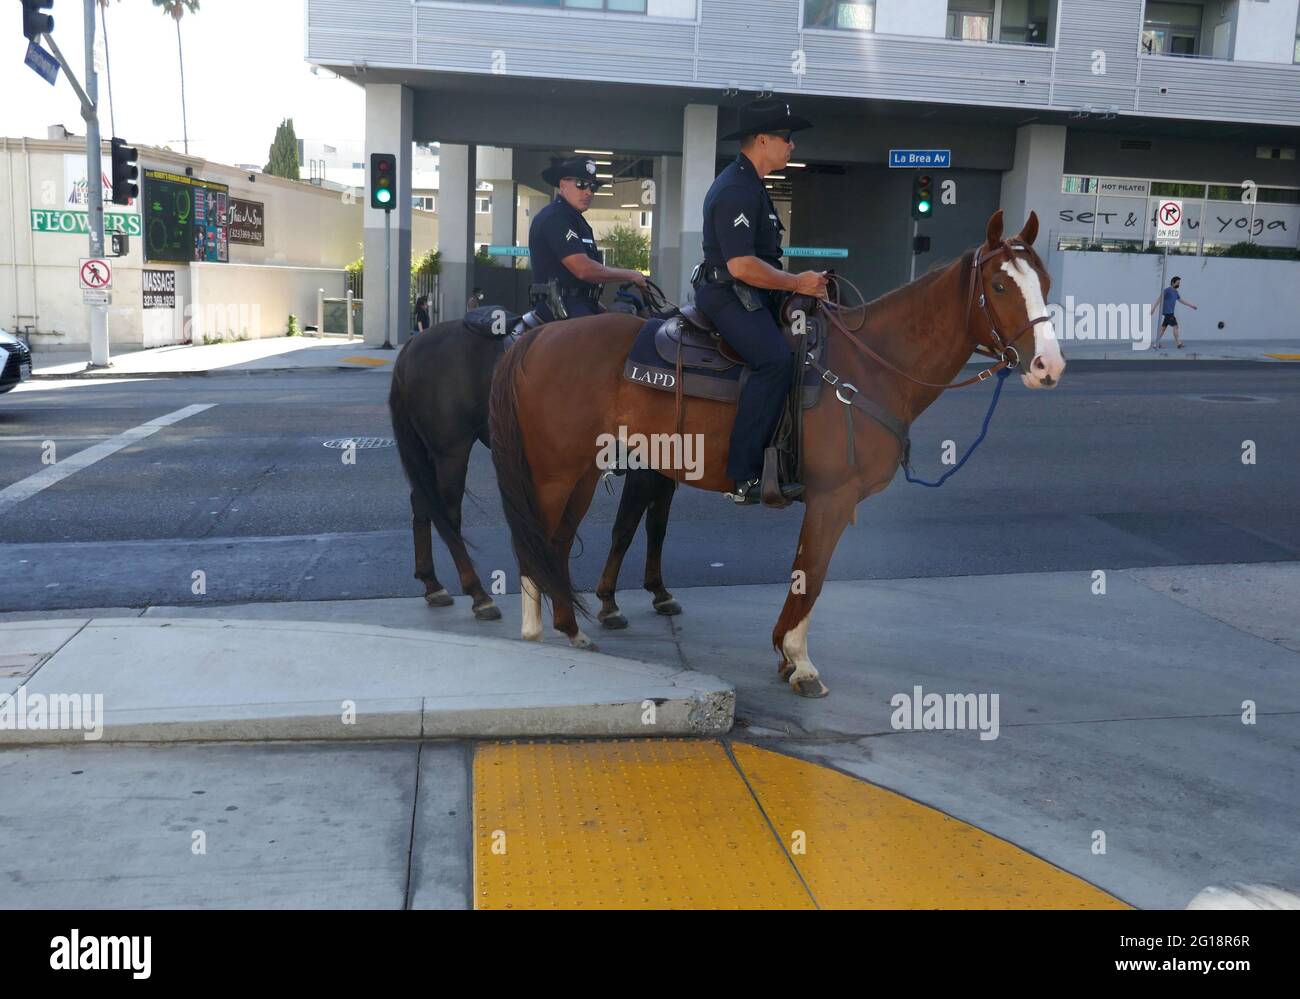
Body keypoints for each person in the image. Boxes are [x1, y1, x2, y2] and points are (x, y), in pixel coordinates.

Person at [694, 99, 827, 507]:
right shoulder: (737, 189)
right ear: (763, 140)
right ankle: (743, 475)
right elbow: (741, 265)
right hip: (727, 294)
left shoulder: (752, 184)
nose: (792, 147)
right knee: (774, 362)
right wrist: (797, 282)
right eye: (787, 139)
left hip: (751, 295)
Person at [527, 155, 648, 322]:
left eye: (592, 187)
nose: (588, 192)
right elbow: (584, 269)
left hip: (582, 304)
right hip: (558, 309)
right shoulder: (555, 217)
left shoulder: (575, 219)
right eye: (581, 185)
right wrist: (630, 275)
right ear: (562, 185)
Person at [1152, 275, 1196, 349]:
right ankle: (1178, 343)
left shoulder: (1176, 292)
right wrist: (1153, 308)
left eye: (1179, 283)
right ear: (1173, 283)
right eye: (1177, 283)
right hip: (1168, 313)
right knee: (1175, 326)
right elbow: (1159, 299)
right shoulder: (1167, 290)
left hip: (1170, 313)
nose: (1178, 284)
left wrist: (1191, 305)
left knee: (1163, 329)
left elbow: (1181, 300)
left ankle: (1155, 344)